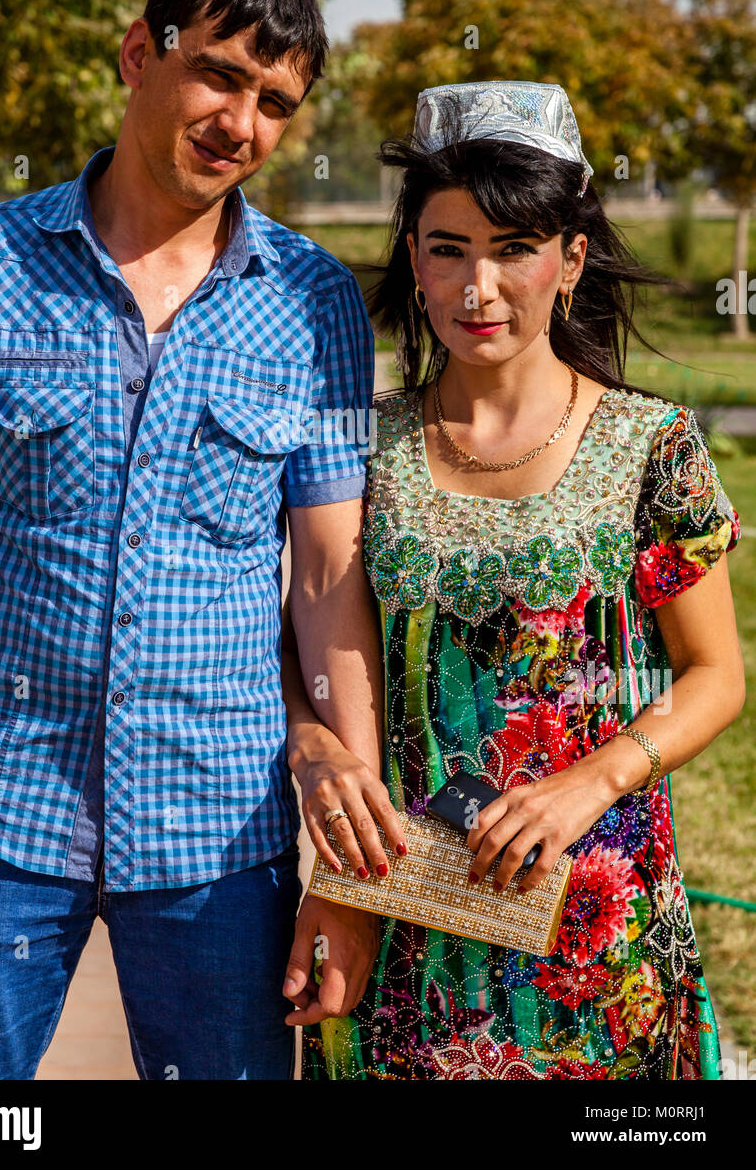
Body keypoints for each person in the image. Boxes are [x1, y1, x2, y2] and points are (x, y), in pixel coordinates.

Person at [0, 0, 399, 1080]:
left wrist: (353, 874)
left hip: (224, 842)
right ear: (139, 52)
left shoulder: (313, 302)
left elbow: (326, 583)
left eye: (277, 101)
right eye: (220, 73)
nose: (242, 122)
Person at [289, 81, 745, 1080]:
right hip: (405, 926)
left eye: (511, 249)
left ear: (570, 258)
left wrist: (588, 783)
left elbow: (714, 676)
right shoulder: (360, 444)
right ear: (412, 260)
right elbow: (306, 643)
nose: (476, 288)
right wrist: (321, 774)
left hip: (595, 927)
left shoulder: (651, 443)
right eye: (446, 248)